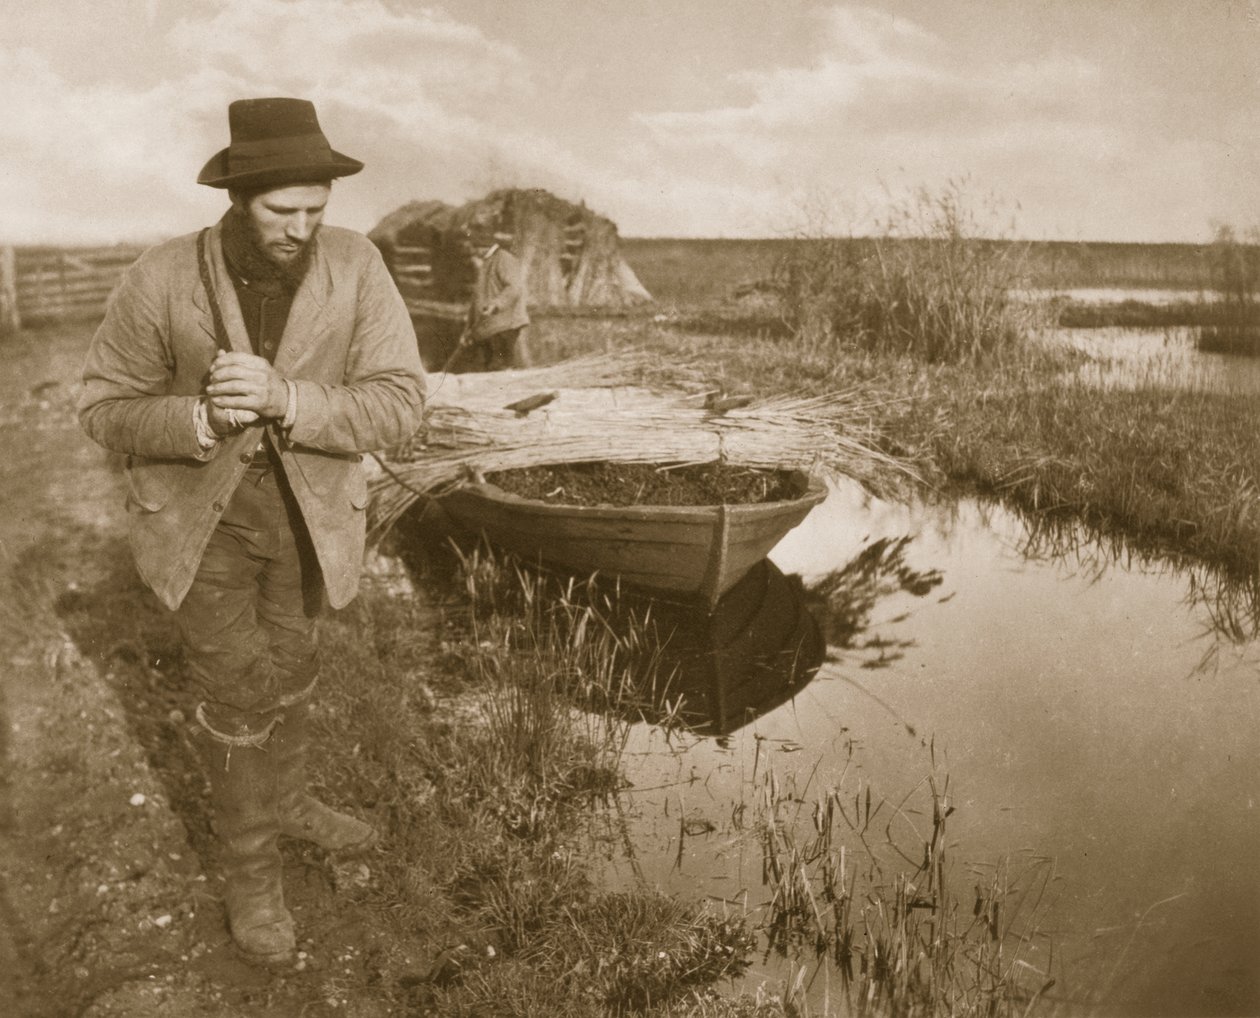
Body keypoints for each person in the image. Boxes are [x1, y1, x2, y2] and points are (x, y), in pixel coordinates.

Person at [77, 97, 426, 966]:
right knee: (236, 689)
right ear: (238, 198)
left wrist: (290, 401)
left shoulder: (357, 265)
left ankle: (292, 800)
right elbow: (101, 406)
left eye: (317, 209)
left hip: (312, 517)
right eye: (282, 211)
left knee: (293, 664)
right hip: (205, 519)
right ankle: (251, 874)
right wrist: (196, 419)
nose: (302, 229)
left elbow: (402, 400)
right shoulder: (162, 277)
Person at [459, 214, 530, 370]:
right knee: (487, 368)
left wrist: (496, 304)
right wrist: (467, 330)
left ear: (481, 244)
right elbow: (477, 300)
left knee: (500, 368)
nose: (470, 250)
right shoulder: (484, 263)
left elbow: (514, 288)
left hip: (505, 325)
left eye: (472, 246)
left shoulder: (504, 259)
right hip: (488, 327)